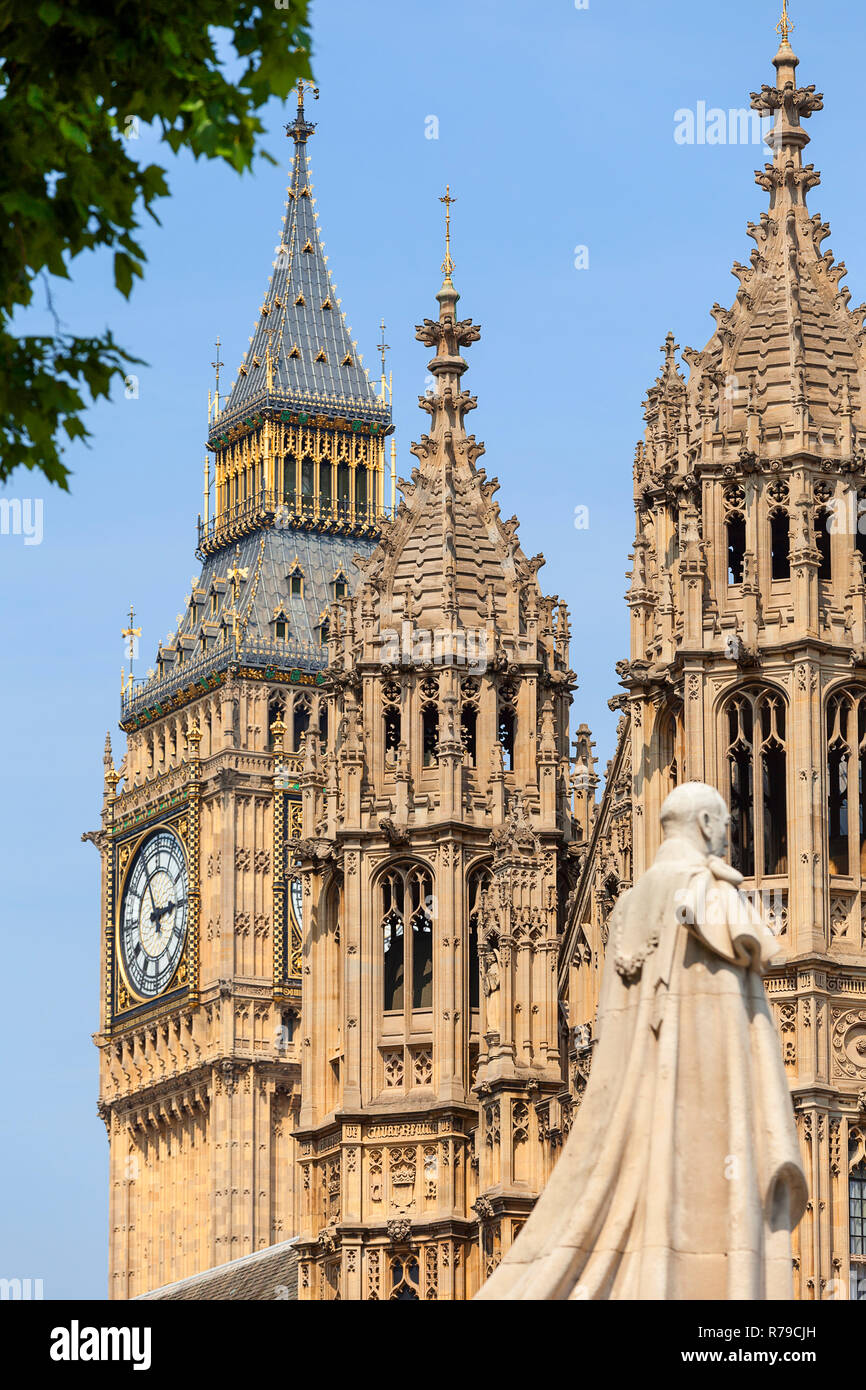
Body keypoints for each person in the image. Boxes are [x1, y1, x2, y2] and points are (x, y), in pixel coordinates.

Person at [475, 781, 807, 1301]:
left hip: (639, 1101)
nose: (728, 836)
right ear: (703, 826)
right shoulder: (710, 892)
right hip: (707, 1088)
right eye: (723, 824)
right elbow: (763, 953)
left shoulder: (627, 907)